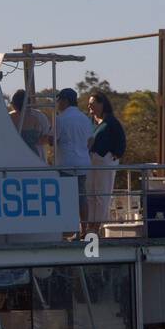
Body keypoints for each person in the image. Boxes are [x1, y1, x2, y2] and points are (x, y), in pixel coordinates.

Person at [86, 92, 127, 232]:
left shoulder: (111, 122)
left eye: (92, 103)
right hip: (91, 161)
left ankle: (97, 227)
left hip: (105, 161)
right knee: (90, 193)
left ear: (101, 104)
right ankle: (89, 225)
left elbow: (121, 140)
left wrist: (115, 155)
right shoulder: (92, 121)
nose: (89, 106)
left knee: (102, 193)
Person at [54, 88, 93, 226]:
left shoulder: (61, 119)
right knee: (82, 197)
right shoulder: (85, 118)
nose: (57, 104)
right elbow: (90, 140)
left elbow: (54, 140)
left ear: (65, 101)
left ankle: (70, 229)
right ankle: (84, 227)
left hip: (66, 163)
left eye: (58, 100)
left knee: (66, 198)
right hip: (83, 162)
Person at [9, 90, 52, 161]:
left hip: (15, 157)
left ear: (14, 105)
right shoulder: (37, 118)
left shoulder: (8, 118)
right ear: (28, 103)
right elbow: (46, 137)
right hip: (35, 157)